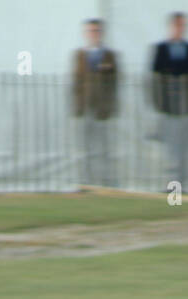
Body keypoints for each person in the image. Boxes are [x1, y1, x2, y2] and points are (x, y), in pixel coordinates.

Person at [151, 12, 188, 191]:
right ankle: (172, 187)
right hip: (168, 107)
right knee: (170, 149)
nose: (180, 29)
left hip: (186, 106)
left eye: (183, 26)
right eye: (177, 25)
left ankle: (183, 185)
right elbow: (155, 78)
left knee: (185, 148)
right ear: (171, 26)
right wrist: (159, 104)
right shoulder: (161, 48)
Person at [71, 19, 120, 187]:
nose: (94, 34)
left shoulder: (109, 55)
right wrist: (77, 106)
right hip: (85, 107)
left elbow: (115, 81)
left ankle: (105, 182)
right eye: (91, 31)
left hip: (102, 109)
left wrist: (110, 105)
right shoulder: (79, 55)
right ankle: (85, 182)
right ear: (86, 33)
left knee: (104, 148)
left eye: (97, 30)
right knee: (84, 147)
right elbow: (76, 82)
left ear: (102, 33)